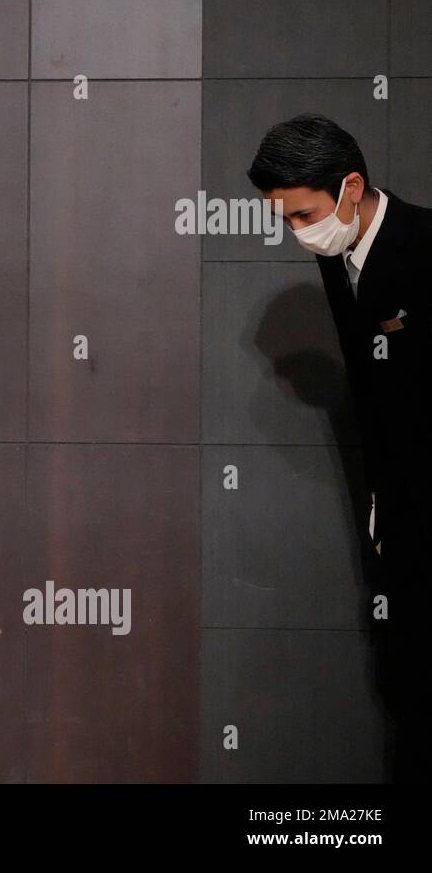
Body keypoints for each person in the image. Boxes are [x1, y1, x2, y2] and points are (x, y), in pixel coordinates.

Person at [247, 112, 432, 782]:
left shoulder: (425, 246)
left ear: (351, 187)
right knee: (408, 697)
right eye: (285, 220)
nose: (297, 233)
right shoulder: (337, 258)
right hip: (403, 529)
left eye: (303, 215)